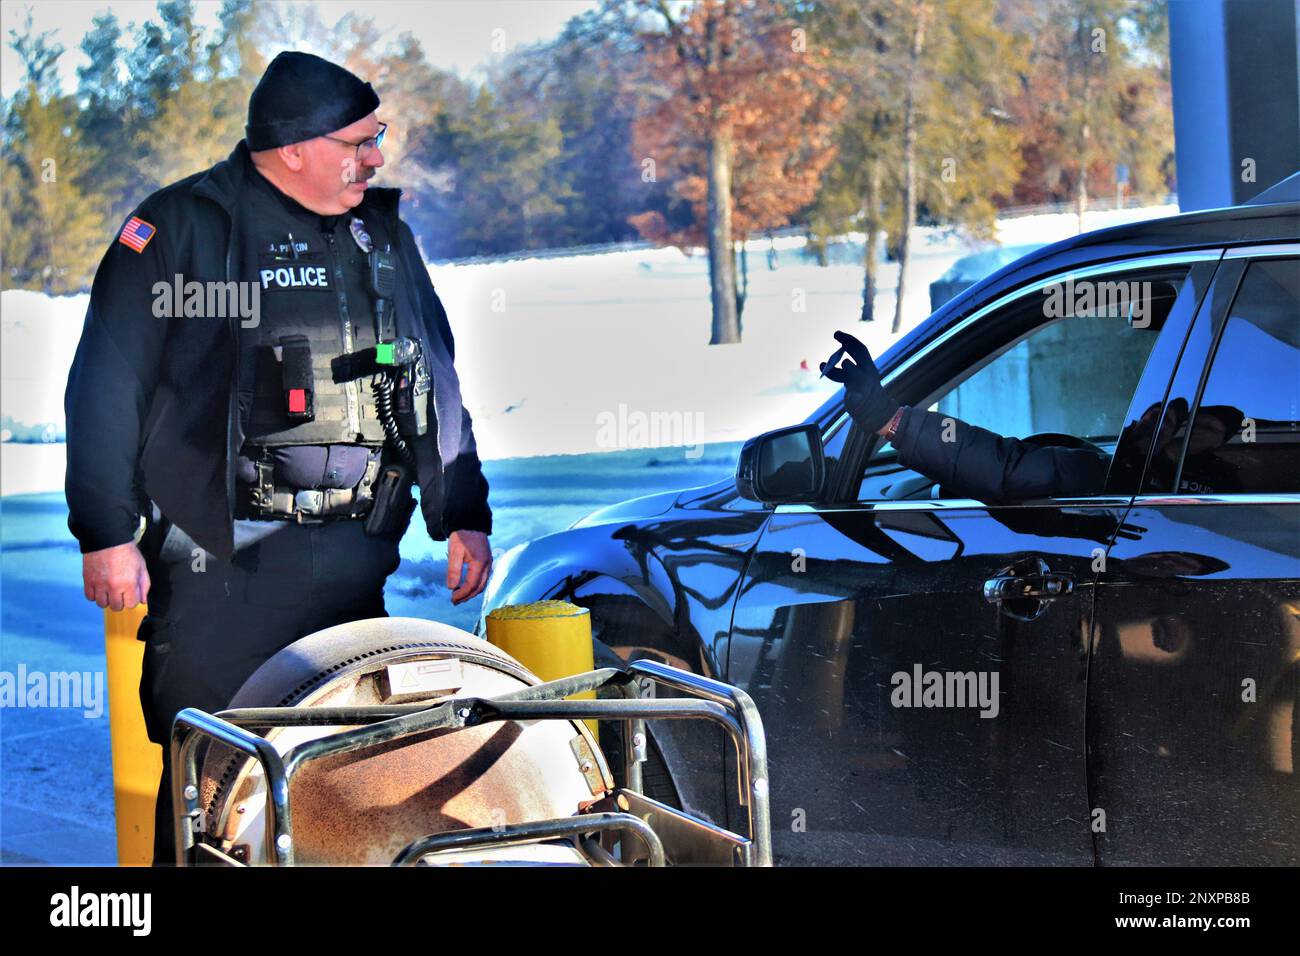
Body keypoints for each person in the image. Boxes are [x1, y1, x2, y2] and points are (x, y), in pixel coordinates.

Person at [64, 51, 493, 864]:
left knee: (343, 775)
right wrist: (105, 532)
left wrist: (462, 512)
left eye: (380, 138)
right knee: (215, 784)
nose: (375, 157)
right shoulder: (179, 228)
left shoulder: (382, 235)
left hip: (353, 560)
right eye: (358, 142)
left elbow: (432, 376)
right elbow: (105, 384)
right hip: (218, 567)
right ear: (294, 147)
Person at [821, 330, 1242, 501]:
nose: (1160, 422)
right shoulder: (1109, 471)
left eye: (1200, 427)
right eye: (1156, 413)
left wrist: (894, 421)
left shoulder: (1224, 495)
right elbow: (1009, 466)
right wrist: (893, 421)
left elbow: (1005, 471)